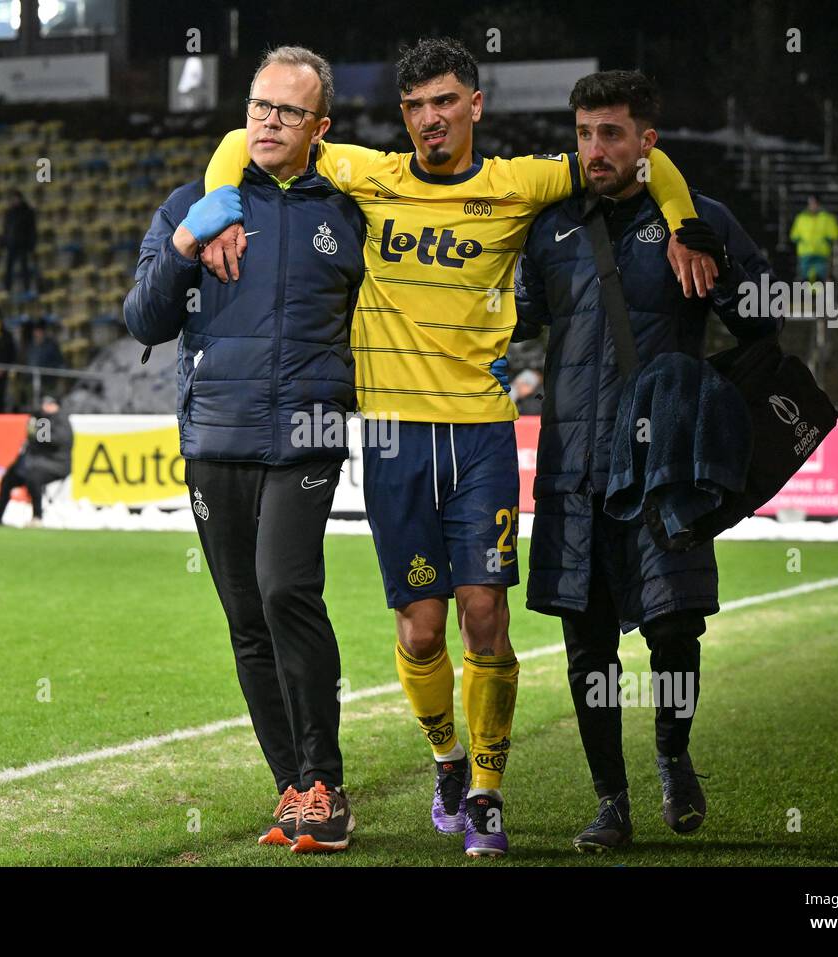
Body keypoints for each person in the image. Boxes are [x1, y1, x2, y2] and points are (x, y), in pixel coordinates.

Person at [199, 36, 717, 857]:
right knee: (420, 631)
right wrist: (218, 203)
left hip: (480, 431)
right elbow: (245, 137)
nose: (429, 119)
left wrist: (685, 227)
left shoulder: (521, 182)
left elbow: (652, 165)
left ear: (475, 105)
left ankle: (484, 790)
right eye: (415, 107)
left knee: (485, 613)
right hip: (396, 434)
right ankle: (445, 758)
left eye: (445, 102)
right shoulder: (372, 173)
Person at [514, 69, 783, 852]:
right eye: (585, 133)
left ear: (647, 142)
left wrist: (721, 265)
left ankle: (672, 754)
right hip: (571, 462)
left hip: (664, 462)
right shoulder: (551, 227)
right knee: (586, 641)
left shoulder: (698, 219)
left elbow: (764, 323)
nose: (595, 150)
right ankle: (610, 800)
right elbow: (513, 319)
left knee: (674, 629)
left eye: (612, 133)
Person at [124, 46, 365, 853]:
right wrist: (189, 243)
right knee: (245, 618)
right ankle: (293, 787)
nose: (268, 121)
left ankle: (326, 781)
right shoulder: (197, 201)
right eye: (260, 106)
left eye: (289, 111)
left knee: (285, 588)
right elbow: (143, 319)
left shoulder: (349, 208)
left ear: (319, 127)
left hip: (309, 431)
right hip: (215, 435)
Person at [0, 395, 72, 528]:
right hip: (35, 463)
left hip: (57, 464)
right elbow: (35, 441)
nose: (45, 407)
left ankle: (37, 518)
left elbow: (57, 441)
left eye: (49, 404)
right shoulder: (40, 418)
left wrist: (37, 432)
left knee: (34, 477)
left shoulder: (61, 419)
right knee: (9, 478)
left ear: (56, 406)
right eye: (44, 403)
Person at [789, 194, 838, 285]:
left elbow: (834, 234)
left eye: (814, 203)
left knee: (820, 276)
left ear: (819, 204)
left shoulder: (827, 218)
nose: (812, 206)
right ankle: (806, 295)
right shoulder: (801, 218)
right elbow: (794, 235)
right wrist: (801, 241)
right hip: (805, 252)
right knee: (805, 276)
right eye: (810, 203)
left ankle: (819, 296)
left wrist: (826, 240)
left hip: (821, 252)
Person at [2, 190, 38, 293]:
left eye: (16, 198)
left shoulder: (27, 212)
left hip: (23, 244)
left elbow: (32, 229)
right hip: (12, 243)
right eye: (13, 199)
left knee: (24, 267)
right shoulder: (9, 213)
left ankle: (26, 287)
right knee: (9, 267)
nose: (14, 201)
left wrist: (32, 244)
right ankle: (7, 288)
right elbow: (6, 229)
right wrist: (4, 241)